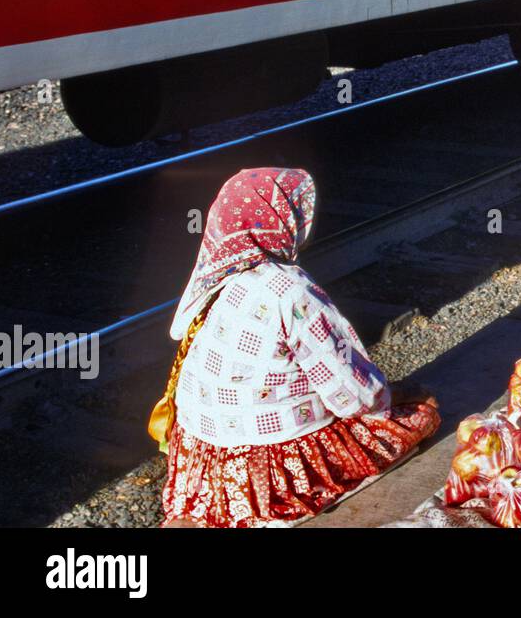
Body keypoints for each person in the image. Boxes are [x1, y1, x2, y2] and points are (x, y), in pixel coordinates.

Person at [154, 168, 440, 527]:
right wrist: (393, 397)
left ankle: (211, 508)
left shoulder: (218, 279)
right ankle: (262, 504)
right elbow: (351, 394)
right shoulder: (290, 290)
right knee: (420, 415)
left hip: (202, 454)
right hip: (268, 462)